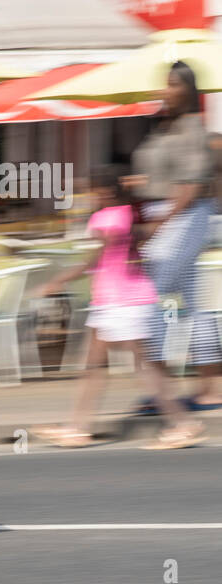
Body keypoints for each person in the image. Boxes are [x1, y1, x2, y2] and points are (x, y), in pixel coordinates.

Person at [36, 165, 203, 449]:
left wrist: (58, 280)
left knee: (142, 368)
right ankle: (78, 428)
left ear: (103, 191)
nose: (90, 196)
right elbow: (148, 233)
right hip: (119, 300)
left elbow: (95, 258)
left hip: (121, 302)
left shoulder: (107, 217)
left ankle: (182, 424)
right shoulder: (132, 213)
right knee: (96, 367)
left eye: (92, 191)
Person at [130, 61, 222, 416]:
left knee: (152, 301)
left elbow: (192, 187)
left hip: (181, 218)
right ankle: (206, 391)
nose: (164, 90)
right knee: (190, 307)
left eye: (171, 84)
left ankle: (163, 392)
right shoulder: (165, 127)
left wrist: (159, 223)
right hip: (166, 217)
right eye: (164, 83)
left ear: (187, 89)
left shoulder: (192, 129)